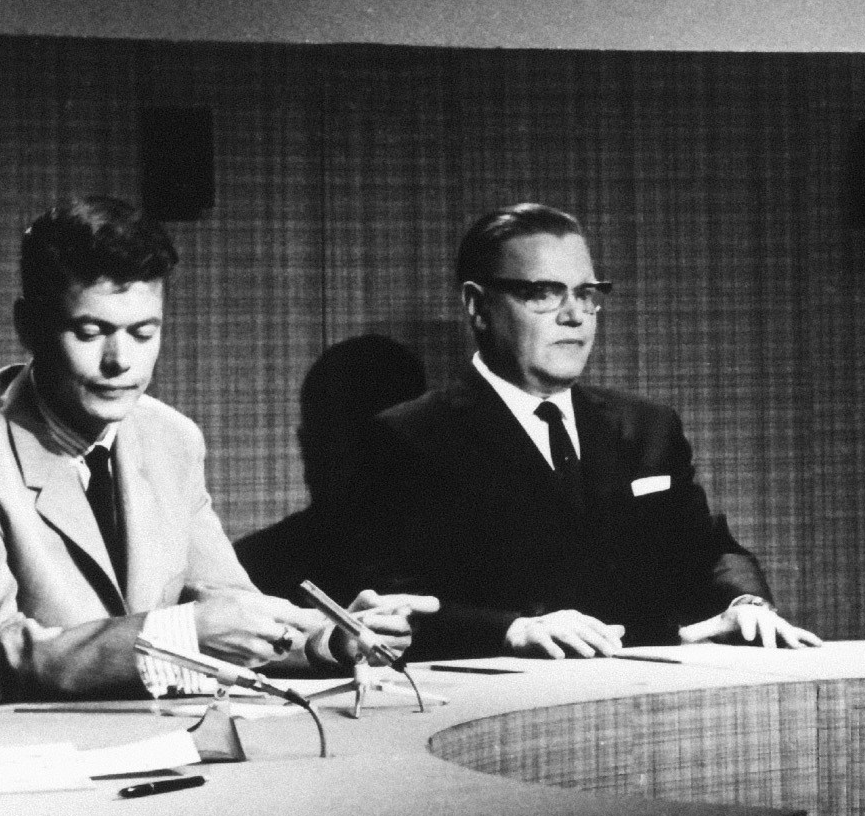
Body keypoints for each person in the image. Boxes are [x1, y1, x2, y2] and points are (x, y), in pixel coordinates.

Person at [0, 199, 416, 703]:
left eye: (143, 333)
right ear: (30, 326)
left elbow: (232, 610)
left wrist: (330, 639)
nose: (121, 362)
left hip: (149, 745)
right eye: (91, 331)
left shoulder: (171, 439)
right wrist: (180, 634)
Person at [349, 203, 817, 657]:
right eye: (544, 293)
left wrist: (744, 604)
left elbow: (709, 550)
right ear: (477, 305)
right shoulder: (408, 437)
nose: (574, 315)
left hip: (646, 696)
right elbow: (388, 609)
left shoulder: (648, 427)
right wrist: (512, 630)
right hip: (503, 706)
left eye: (587, 293)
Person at [235, 332, 431, 604]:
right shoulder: (252, 568)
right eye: (315, 433)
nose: (312, 450)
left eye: (339, 435)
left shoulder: (465, 559)